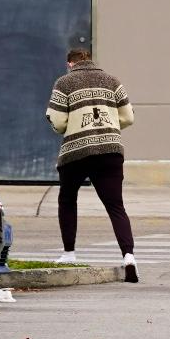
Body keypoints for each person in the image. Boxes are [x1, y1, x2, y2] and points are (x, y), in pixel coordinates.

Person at [44, 47, 138, 282]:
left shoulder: (64, 83)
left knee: (67, 199)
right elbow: (128, 117)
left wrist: (67, 127)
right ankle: (128, 257)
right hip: (110, 151)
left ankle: (69, 253)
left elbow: (57, 120)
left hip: (77, 151)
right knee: (116, 206)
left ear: (70, 64)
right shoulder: (112, 80)